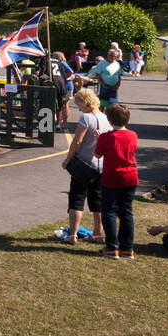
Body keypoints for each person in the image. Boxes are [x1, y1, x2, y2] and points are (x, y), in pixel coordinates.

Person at [60, 88, 110, 244]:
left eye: (79, 104)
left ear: (84, 102)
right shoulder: (105, 118)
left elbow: (77, 141)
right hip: (100, 166)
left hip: (84, 164)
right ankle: (97, 233)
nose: (79, 108)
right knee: (97, 201)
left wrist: (68, 159)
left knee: (77, 198)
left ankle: (73, 234)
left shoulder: (85, 118)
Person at [95, 103, 138, 259]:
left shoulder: (106, 137)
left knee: (109, 212)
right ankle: (127, 247)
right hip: (131, 176)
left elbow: (98, 155)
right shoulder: (133, 135)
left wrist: (99, 139)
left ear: (109, 120)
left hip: (112, 177)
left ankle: (112, 247)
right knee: (126, 212)